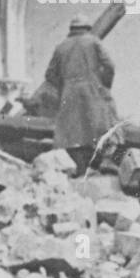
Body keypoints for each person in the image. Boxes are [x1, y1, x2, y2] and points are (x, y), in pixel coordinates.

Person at [44, 15, 119, 176]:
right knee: (104, 124)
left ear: (71, 30)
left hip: (69, 93)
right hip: (91, 89)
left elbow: (50, 74)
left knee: (73, 134)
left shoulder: (61, 47)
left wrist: (64, 85)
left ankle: (80, 169)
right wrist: (105, 84)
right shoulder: (93, 42)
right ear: (87, 28)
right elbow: (109, 65)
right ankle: (106, 161)